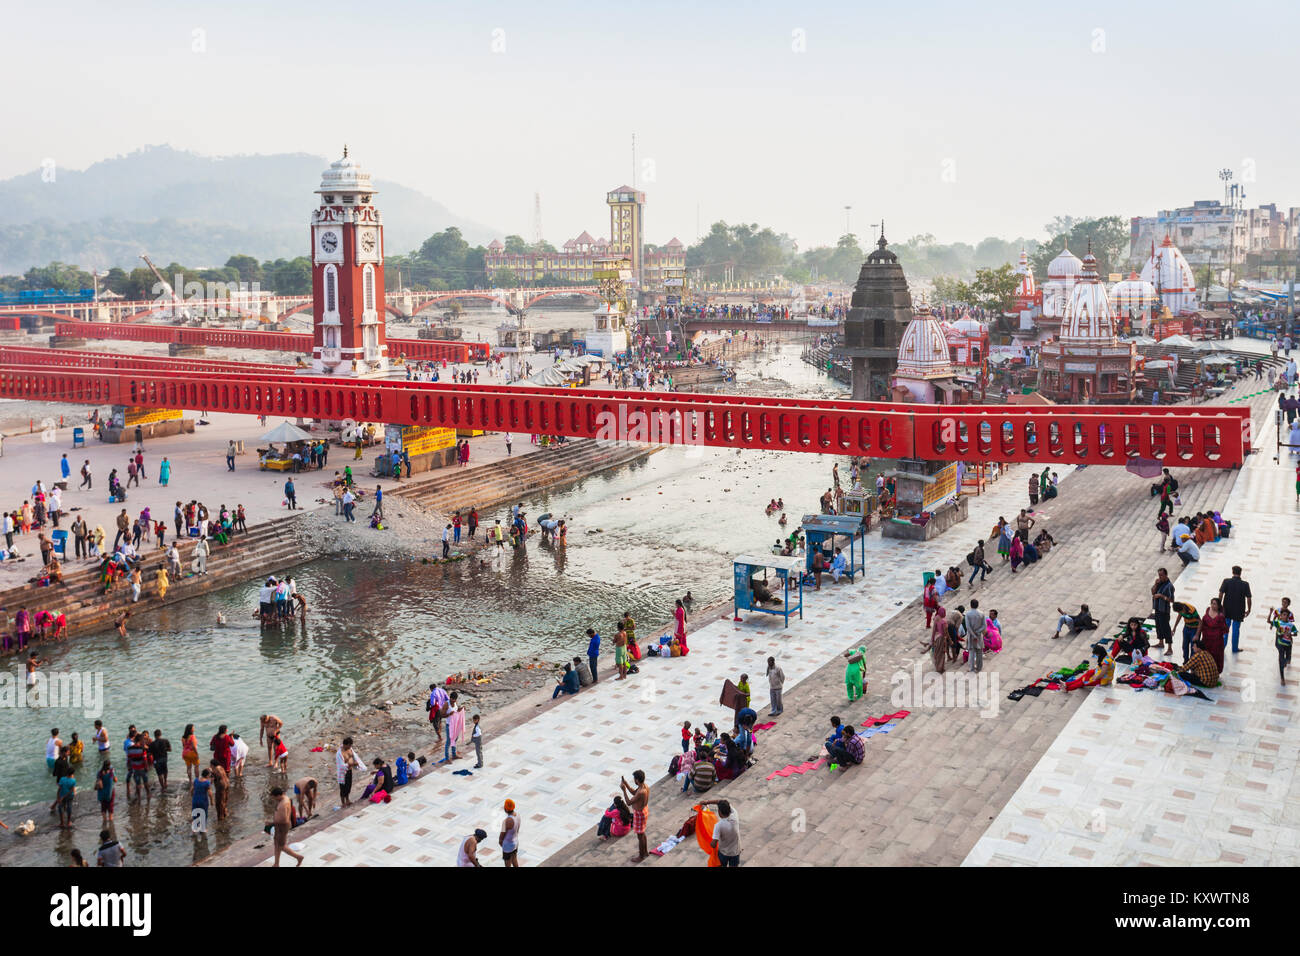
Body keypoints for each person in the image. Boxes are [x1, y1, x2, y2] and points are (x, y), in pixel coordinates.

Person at [1217, 566, 1253, 656]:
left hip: (1226, 609)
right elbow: (1249, 598)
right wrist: (1249, 609)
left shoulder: (1226, 581)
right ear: (1240, 573)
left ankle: (1222, 647)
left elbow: (1221, 594)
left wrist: (1219, 605)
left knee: (1225, 629)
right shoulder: (1245, 584)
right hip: (1239, 610)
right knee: (1236, 629)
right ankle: (1234, 648)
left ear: (1232, 572)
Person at [619, 770, 651, 863]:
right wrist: (626, 784)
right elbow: (634, 793)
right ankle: (645, 852)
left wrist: (624, 790)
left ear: (637, 780)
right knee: (642, 834)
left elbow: (628, 802)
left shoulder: (641, 791)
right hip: (643, 811)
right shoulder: (644, 786)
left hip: (639, 814)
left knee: (640, 836)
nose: (634, 780)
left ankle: (641, 856)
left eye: (634, 779)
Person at [701, 798, 741, 867]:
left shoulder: (719, 826)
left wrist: (708, 840)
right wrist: (708, 802)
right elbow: (721, 801)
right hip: (736, 851)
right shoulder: (734, 814)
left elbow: (713, 844)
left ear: (720, 812)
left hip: (724, 853)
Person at [270, 787, 304, 866]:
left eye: (274, 797)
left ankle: (298, 857)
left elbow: (284, 820)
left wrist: (271, 823)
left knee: (281, 846)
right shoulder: (285, 797)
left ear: (278, 795)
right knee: (276, 844)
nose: (274, 799)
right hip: (279, 826)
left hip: (282, 827)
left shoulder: (283, 804)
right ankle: (276, 863)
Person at [1268, 599, 1295, 685]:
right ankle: (1282, 678)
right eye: (1283, 602)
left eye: (1286, 603)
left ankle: (1288, 658)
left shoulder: (1290, 618)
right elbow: (1273, 619)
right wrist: (1272, 624)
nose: (1284, 604)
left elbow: (1292, 629)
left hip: (1288, 642)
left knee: (1287, 656)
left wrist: (1290, 635)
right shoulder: (1277, 613)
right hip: (1280, 641)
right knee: (1281, 658)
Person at [1151, 569, 1175, 653]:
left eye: (1161, 575)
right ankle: (1161, 643)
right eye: (1159, 575)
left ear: (1166, 575)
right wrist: (1155, 584)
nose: (1160, 577)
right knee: (1158, 626)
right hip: (1157, 609)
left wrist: (1161, 596)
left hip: (1164, 610)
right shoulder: (1159, 583)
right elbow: (1153, 592)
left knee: (1166, 629)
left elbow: (1171, 600)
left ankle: (1170, 648)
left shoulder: (1169, 586)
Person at [964, 599, 986, 672]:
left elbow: (968, 627)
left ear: (970, 605)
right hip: (979, 635)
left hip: (971, 636)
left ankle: (972, 668)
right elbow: (984, 626)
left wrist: (973, 635)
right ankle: (979, 668)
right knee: (979, 652)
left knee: (972, 652)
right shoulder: (981, 613)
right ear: (977, 605)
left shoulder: (968, 614)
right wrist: (977, 632)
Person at [498, 799, 521, 867]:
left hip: (508, 845)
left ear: (506, 809)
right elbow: (517, 830)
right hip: (515, 841)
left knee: (507, 863)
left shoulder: (506, 821)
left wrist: (500, 842)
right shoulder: (518, 815)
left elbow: (502, 835)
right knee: (514, 859)